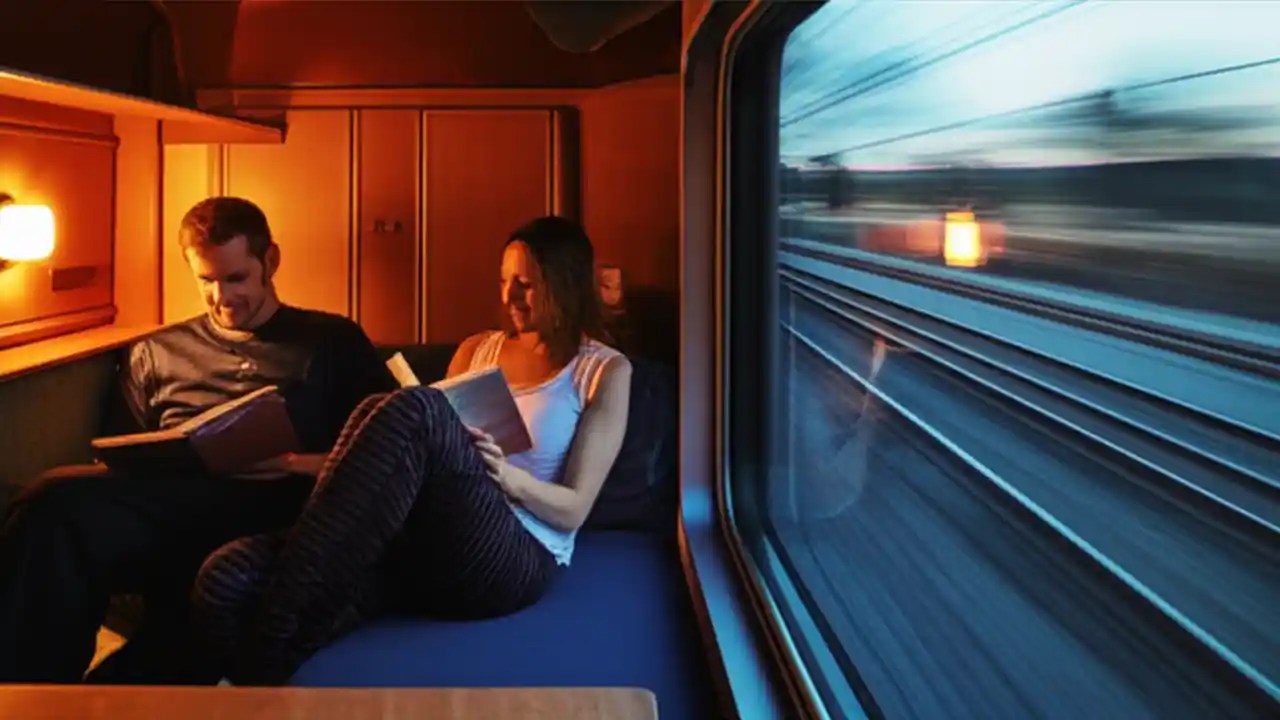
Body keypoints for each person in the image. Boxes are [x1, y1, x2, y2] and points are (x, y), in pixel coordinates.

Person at [193, 215, 633, 685]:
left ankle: (265, 664)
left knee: (417, 408)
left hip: (517, 554)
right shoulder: (477, 350)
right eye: (504, 282)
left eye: (525, 284)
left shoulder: (602, 371)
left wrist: (508, 479)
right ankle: (262, 661)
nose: (509, 298)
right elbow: (402, 455)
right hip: (430, 540)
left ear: (563, 284)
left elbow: (574, 510)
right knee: (226, 579)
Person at [0, 196, 396, 684]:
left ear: (270, 261)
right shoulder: (156, 352)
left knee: (182, 616)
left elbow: (393, 457)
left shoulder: (332, 342)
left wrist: (293, 461)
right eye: (206, 281)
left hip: (278, 509)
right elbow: (120, 461)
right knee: (51, 502)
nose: (221, 298)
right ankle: (25, 693)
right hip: (172, 511)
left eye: (236, 279)